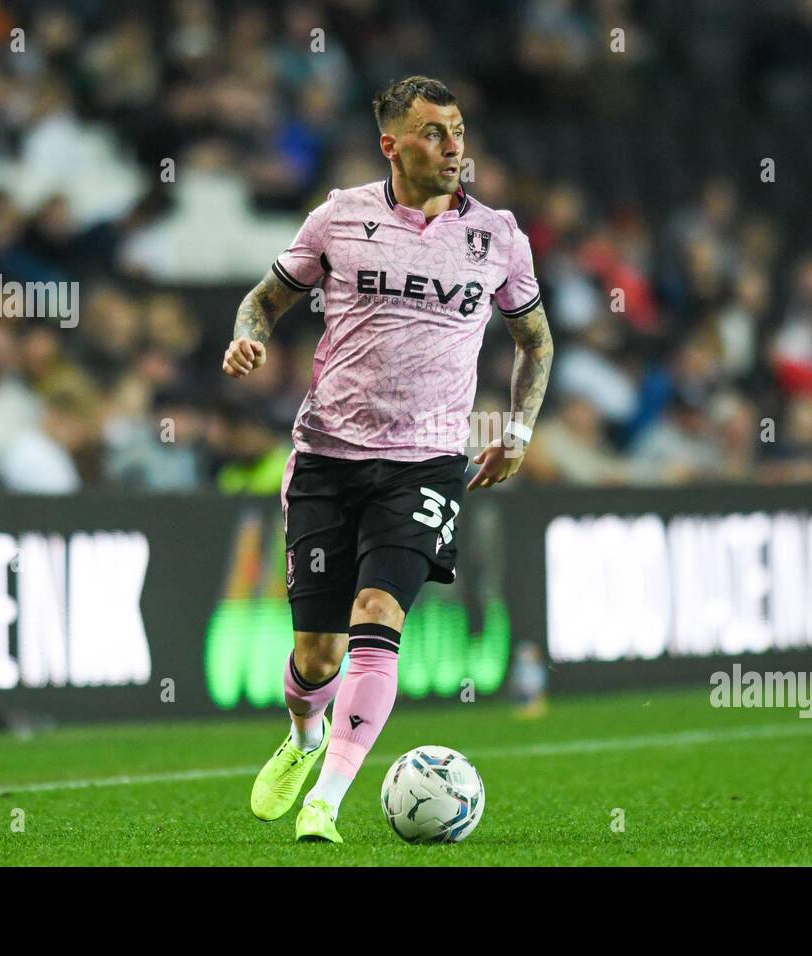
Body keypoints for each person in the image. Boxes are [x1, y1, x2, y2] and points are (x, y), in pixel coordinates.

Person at [222, 76, 553, 843]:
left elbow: (534, 342)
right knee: (316, 653)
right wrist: (250, 336)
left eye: (459, 131)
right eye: (434, 133)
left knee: (379, 615)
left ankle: (326, 803)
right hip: (327, 457)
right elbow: (262, 300)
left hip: (427, 462)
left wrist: (519, 430)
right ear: (391, 145)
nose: (452, 147)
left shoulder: (498, 236)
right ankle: (305, 739)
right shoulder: (341, 217)